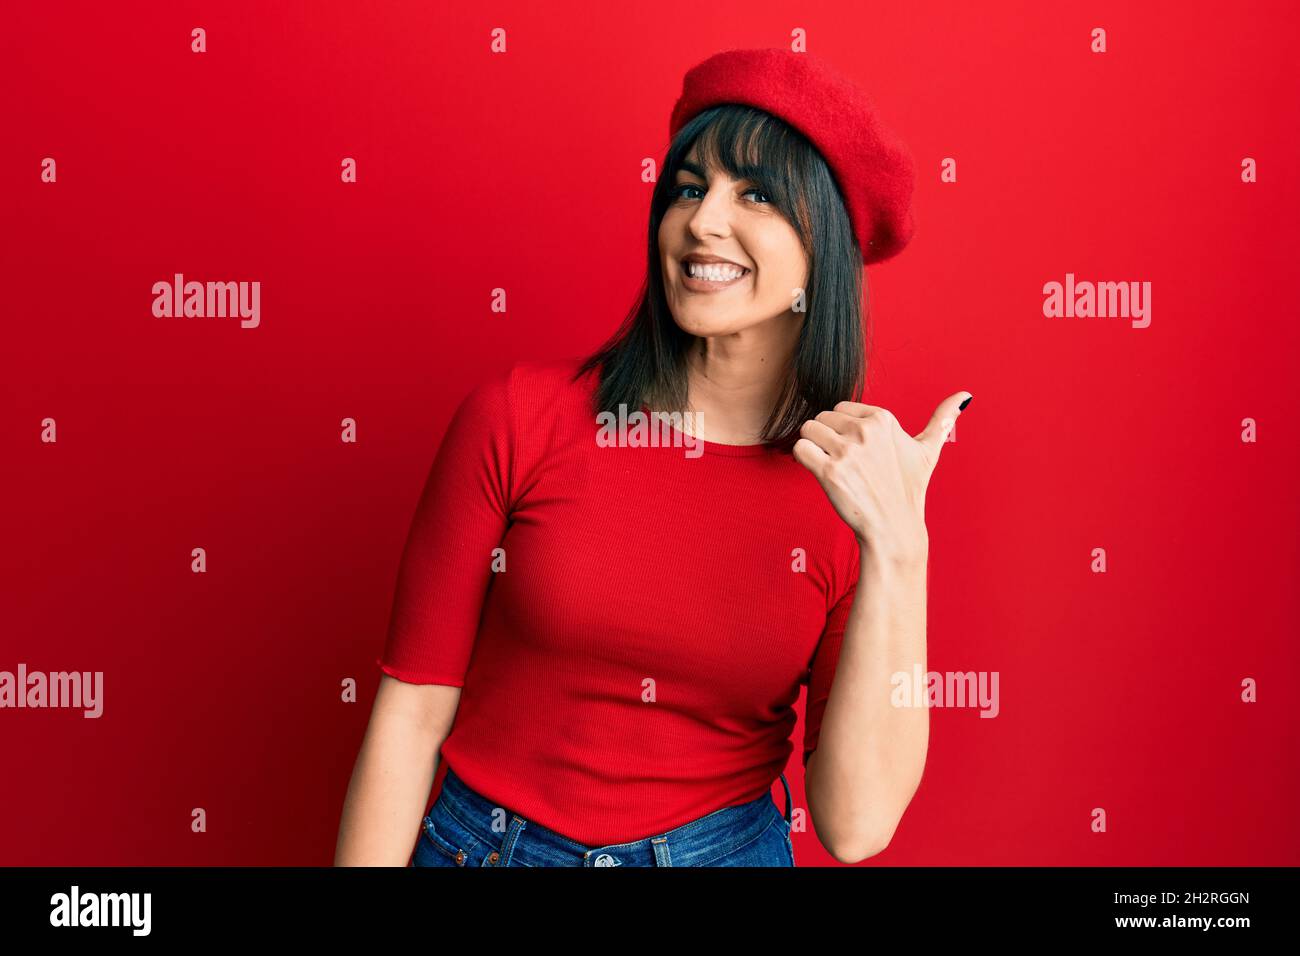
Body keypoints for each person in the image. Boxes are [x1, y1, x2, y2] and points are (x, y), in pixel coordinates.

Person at [335, 47, 970, 867]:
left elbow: (855, 826)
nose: (703, 220)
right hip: (488, 849)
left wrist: (899, 546)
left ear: (829, 253)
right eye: (689, 187)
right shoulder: (518, 419)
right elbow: (410, 714)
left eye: (757, 194)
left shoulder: (852, 490)